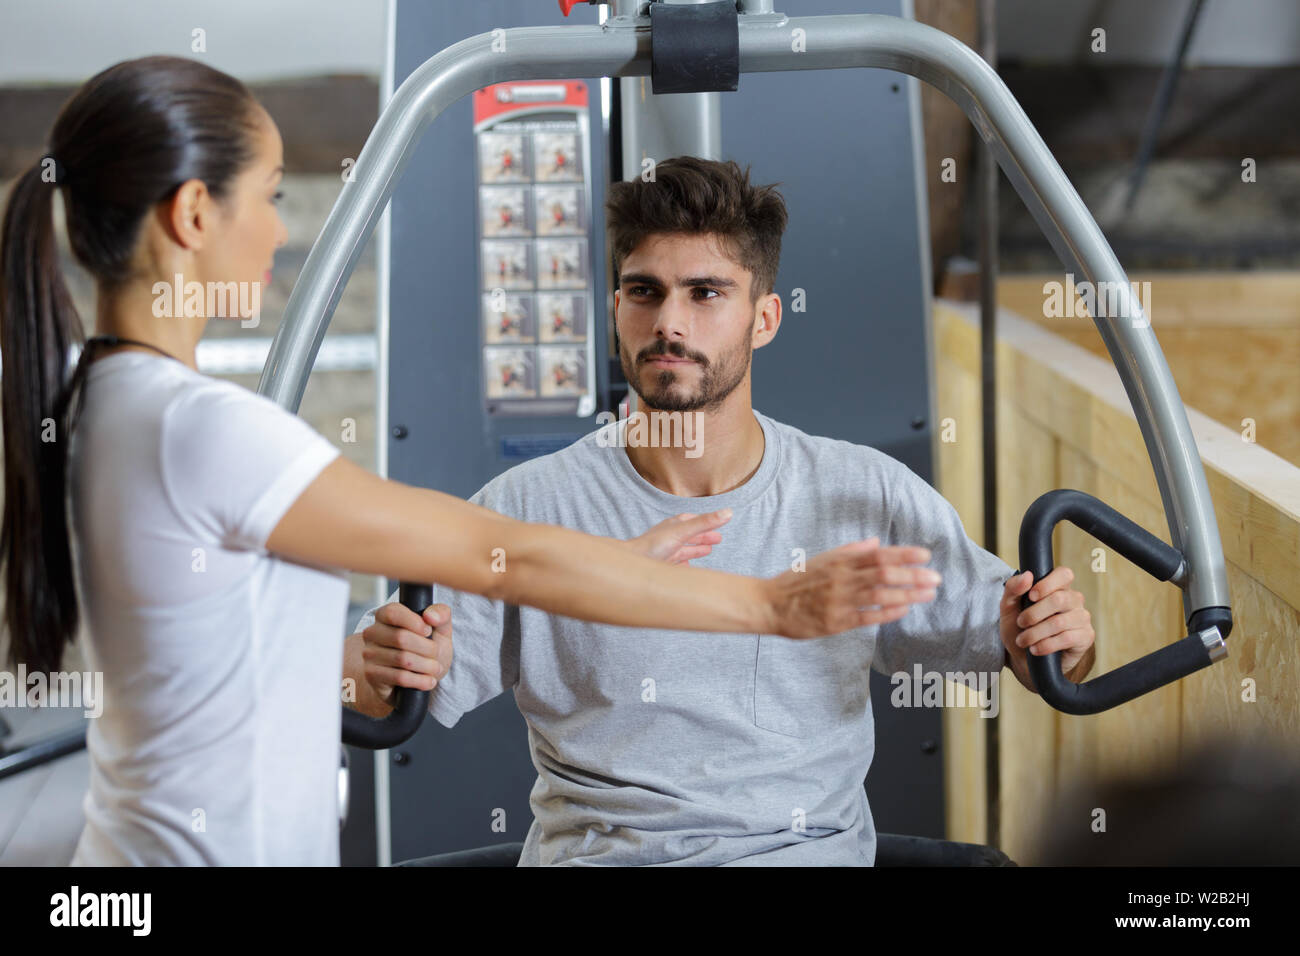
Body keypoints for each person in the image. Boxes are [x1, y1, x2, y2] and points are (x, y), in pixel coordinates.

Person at [0, 58, 929, 867]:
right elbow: (505, 554)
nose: (281, 232)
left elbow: (223, 661)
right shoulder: (201, 430)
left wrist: (599, 574)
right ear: (196, 212)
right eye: (274, 195)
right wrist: (771, 604)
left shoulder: (102, 401)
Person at [348, 156, 1098, 866]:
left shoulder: (863, 494)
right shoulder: (526, 509)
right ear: (616, 308)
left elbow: (1041, 662)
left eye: (705, 293)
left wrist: (1048, 640)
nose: (670, 322)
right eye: (645, 292)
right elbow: (372, 691)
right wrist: (385, 668)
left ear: (764, 318)